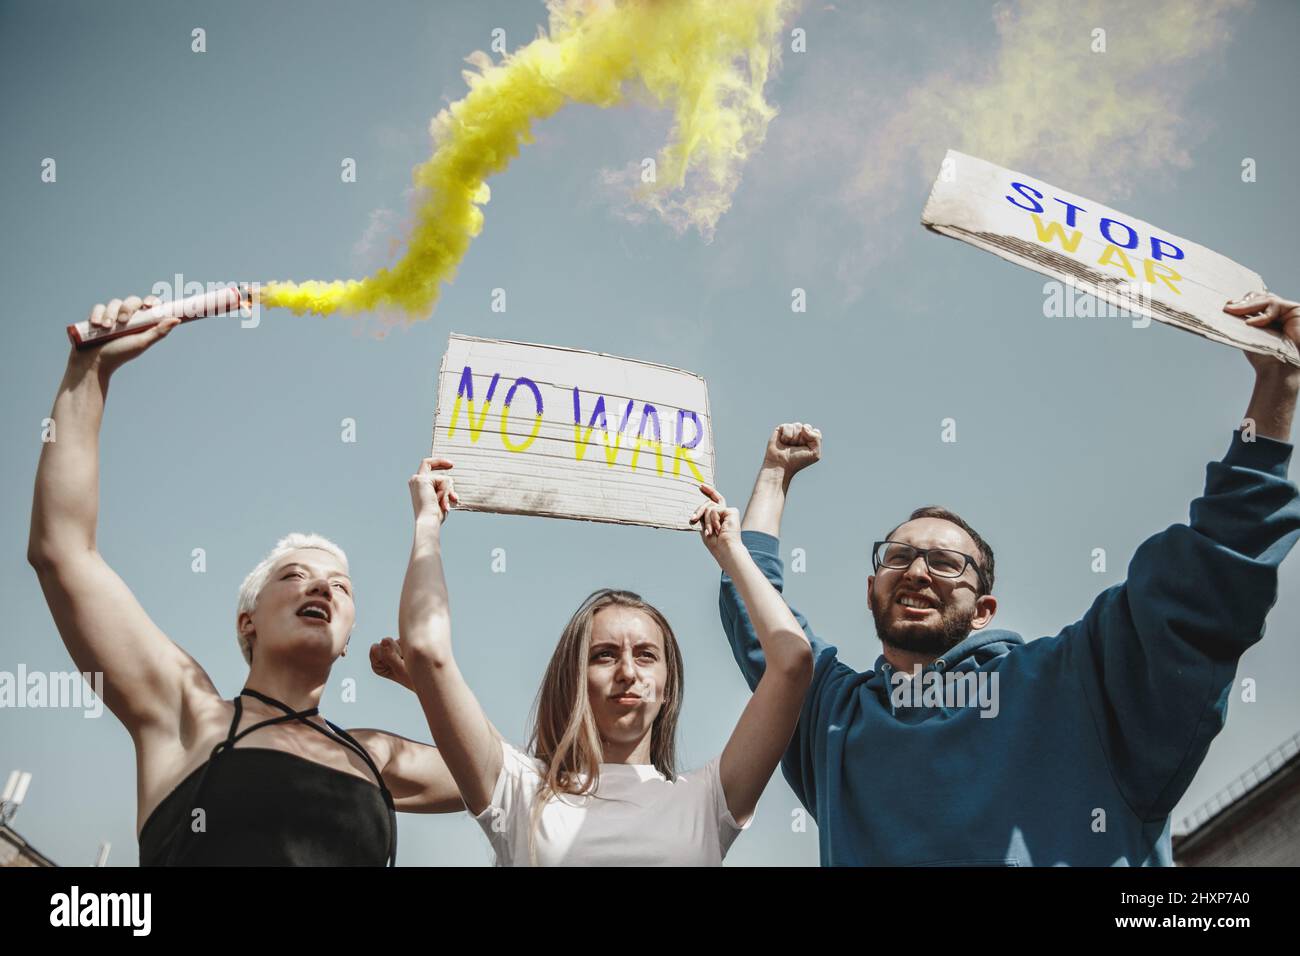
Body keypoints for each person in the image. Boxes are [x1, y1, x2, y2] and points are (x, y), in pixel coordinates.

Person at [718, 291, 1300, 866]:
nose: (918, 572)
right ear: (871, 589)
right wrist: (774, 476)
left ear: (984, 611)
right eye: (898, 557)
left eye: (947, 564)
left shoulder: (1079, 681)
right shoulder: (834, 718)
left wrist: (1277, 386)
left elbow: (1204, 578)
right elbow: (758, 615)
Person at [27, 294, 464, 866]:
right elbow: (63, 552)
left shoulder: (374, 757)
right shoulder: (187, 714)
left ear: (350, 639)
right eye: (295, 575)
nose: (321, 588)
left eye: (341, 586)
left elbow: (524, 779)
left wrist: (428, 683)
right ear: (246, 619)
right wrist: (89, 372)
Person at [368, 458, 812, 865]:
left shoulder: (709, 801)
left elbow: (791, 661)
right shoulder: (520, 791)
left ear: (667, 686)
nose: (627, 672)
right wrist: (427, 521)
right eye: (603, 655)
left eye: (645, 655)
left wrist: (732, 552)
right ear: (573, 679)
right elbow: (427, 652)